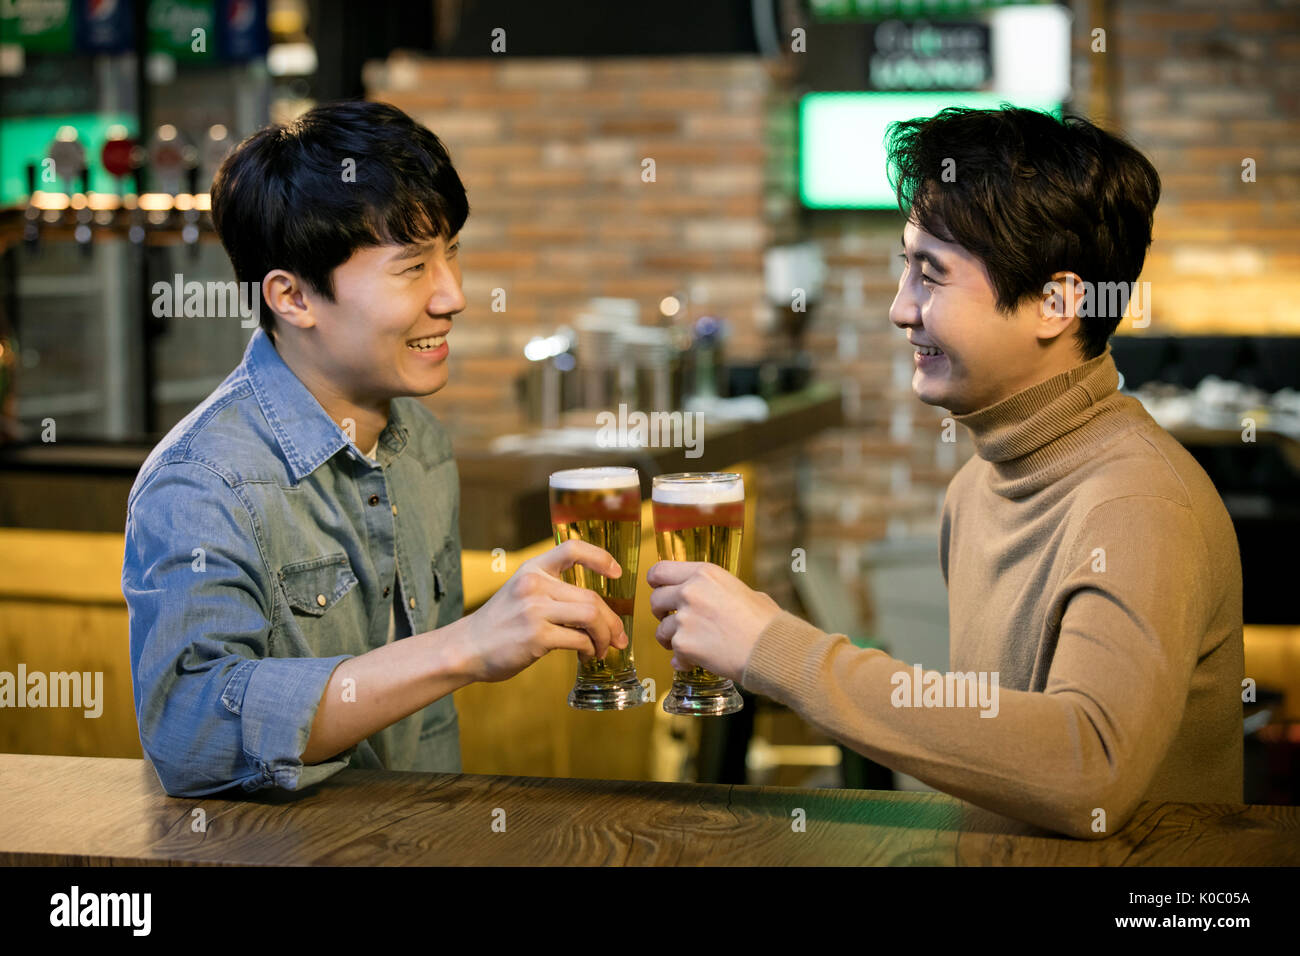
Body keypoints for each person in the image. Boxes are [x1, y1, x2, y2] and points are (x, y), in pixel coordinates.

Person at [647, 106, 1244, 840]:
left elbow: (1088, 767)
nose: (901, 310)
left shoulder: (1138, 502)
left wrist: (780, 651)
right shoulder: (976, 489)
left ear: (1056, 303)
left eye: (932, 276)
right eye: (907, 268)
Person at [123, 101, 627, 797]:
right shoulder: (202, 480)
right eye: (413, 267)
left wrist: (494, 623)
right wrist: (466, 645)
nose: (454, 295)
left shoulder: (420, 443)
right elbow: (191, 731)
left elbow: (421, 705)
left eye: (451, 255)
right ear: (292, 297)